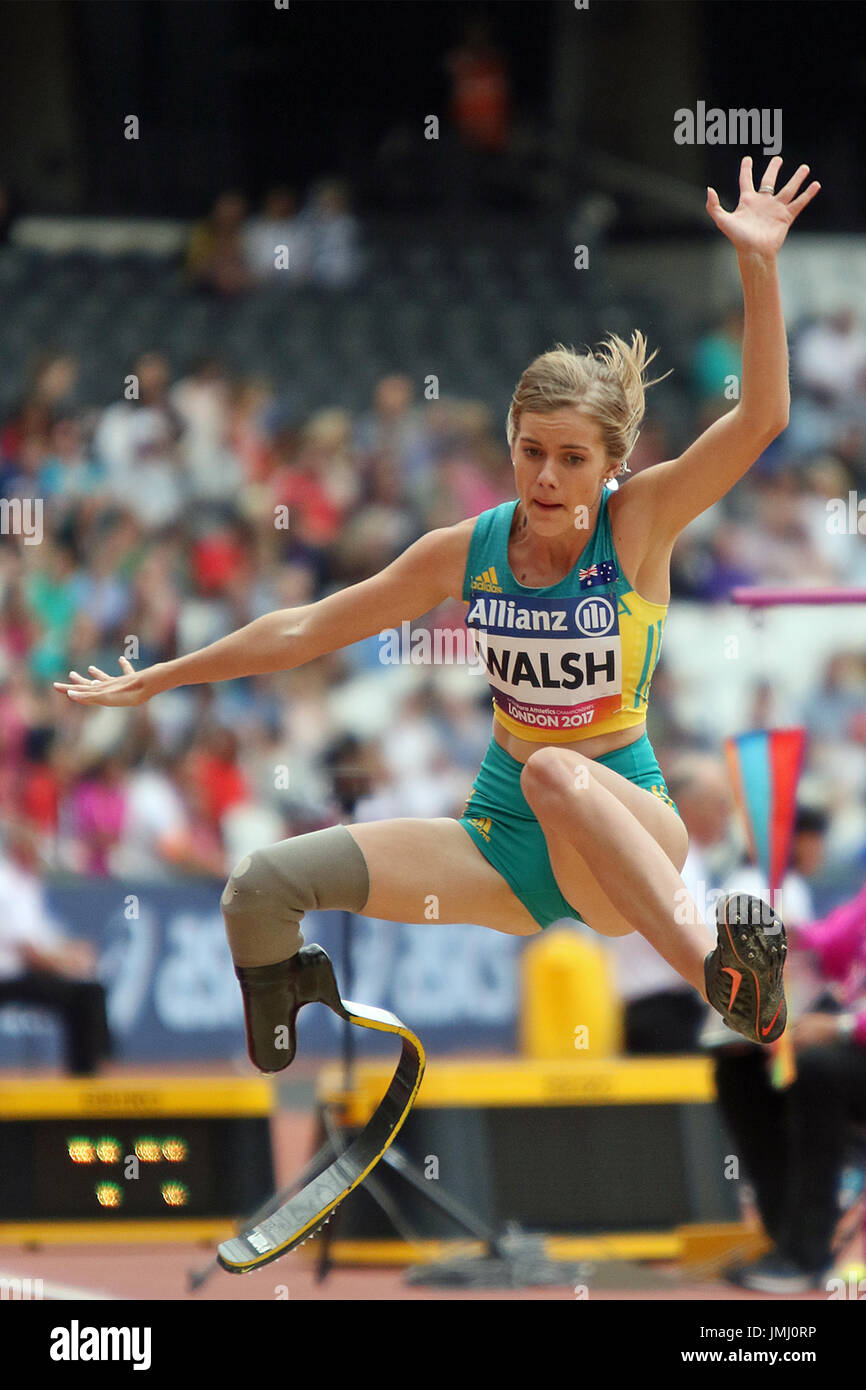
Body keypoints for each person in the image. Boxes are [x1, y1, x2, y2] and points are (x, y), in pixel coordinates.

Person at [54, 157, 821, 1079]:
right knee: (261, 884)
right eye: (529, 451)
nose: (545, 477)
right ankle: (295, 1052)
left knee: (557, 774)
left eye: (571, 460)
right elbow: (305, 628)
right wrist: (163, 676)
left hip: (621, 824)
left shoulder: (642, 521)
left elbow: (763, 416)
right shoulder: (465, 550)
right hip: (499, 843)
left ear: (610, 465)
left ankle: (725, 981)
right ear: (507, 447)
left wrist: (759, 266)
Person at [0, 822, 111, 1075]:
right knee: (86, 995)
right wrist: (67, 963)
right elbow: (30, 953)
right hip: (10, 975)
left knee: (89, 989)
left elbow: (40, 939)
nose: (39, 853)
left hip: (20, 972)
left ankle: (89, 1070)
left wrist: (71, 953)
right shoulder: (8, 884)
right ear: (20, 850)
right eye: (34, 847)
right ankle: (86, 1075)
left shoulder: (25, 883)